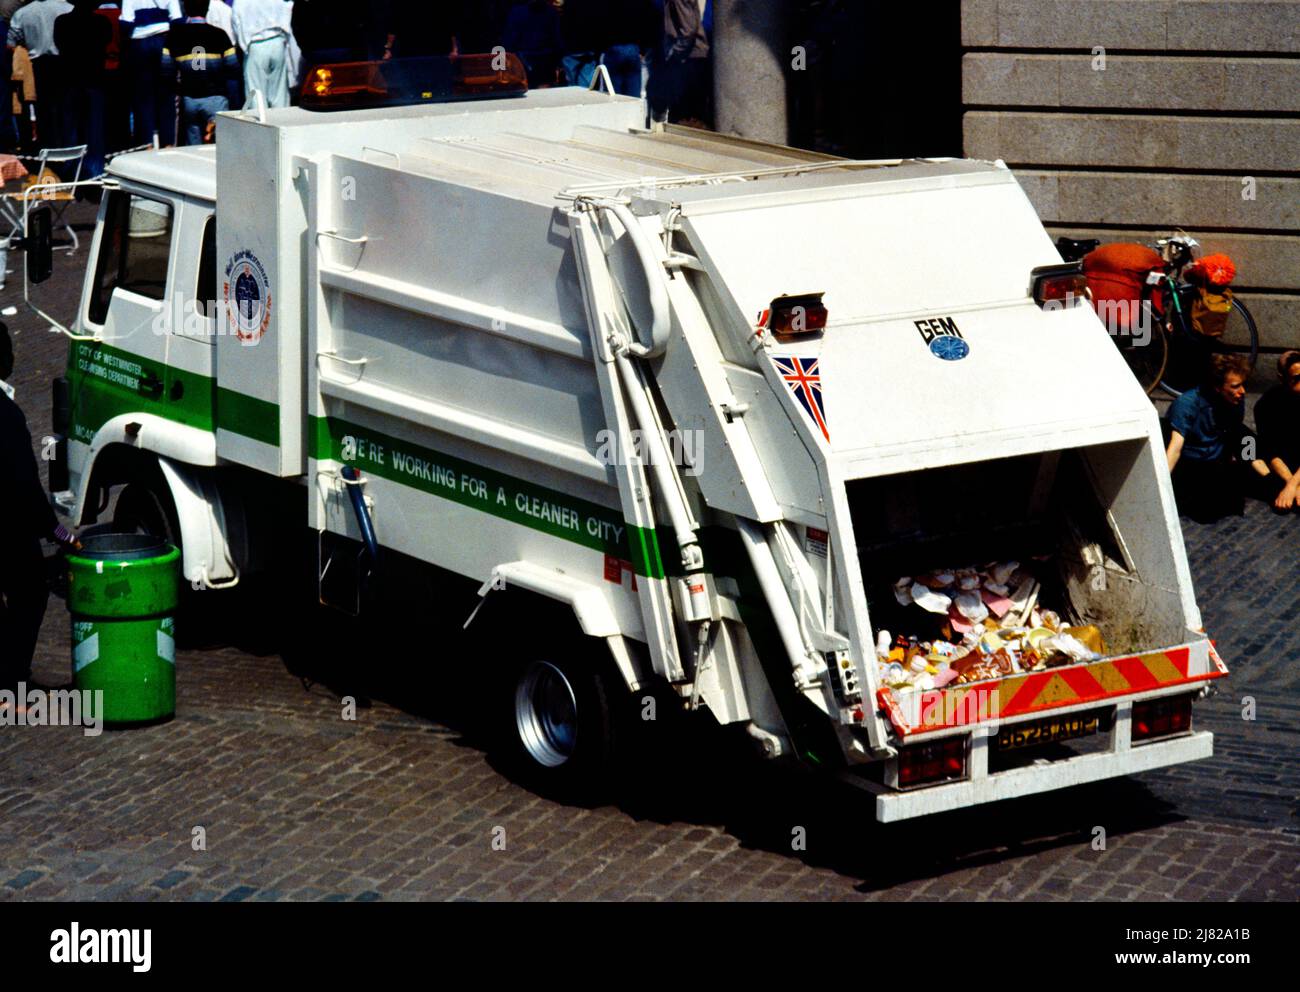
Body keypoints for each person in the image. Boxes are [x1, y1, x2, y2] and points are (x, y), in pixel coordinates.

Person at [0, 324, 77, 691]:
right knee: (29, 592)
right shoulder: (7, 416)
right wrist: (62, 535)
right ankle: (11, 676)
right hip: (8, 531)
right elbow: (26, 490)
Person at [1165, 354, 1271, 522]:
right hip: (1194, 462)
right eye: (1235, 386)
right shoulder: (1187, 404)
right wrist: (1161, 485)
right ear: (1217, 387)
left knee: (1248, 439)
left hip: (1219, 454)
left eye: (1243, 385)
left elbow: (1235, 431)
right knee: (1208, 510)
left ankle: (1269, 479)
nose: (1242, 392)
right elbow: (1175, 448)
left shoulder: (1236, 399)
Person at [161, 0, 238, 145]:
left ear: (186, 10)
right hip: (217, 99)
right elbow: (233, 69)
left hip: (190, 99)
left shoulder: (174, 37)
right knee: (219, 146)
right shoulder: (220, 35)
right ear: (207, 9)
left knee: (193, 147)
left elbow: (166, 73)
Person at [6, 0, 73, 161]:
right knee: (67, 110)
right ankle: (66, 151)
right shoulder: (69, 8)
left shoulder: (23, 13)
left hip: (40, 64)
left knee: (44, 111)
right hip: (66, 63)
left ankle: (48, 152)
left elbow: (10, 43)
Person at [53, 0, 112, 178]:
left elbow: (59, 44)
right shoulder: (101, 23)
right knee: (94, 129)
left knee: (70, 129)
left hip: (70, 80)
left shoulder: (62, 22)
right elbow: (106, 43)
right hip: (93, 79)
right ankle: (94, 171)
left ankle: (71, 169)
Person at [120, 0, 182, 146]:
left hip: (139, 43)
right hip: (164, 40)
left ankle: (146, 144)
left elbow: (126, 22)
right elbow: (177, 19)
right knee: (167, 96)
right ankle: (168, 144)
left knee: (142, 99)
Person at [1254, 349, 1300, 512]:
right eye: (1297, 379)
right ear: (1282, 379)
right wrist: (1290, 484)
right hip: (1284, 464)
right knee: (1247, 443)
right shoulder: (1266, 405)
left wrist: (1294, 485)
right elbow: (1270, 452)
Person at [648, 0, 708, 124]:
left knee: (682, 116)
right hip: (690, 58)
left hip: (687, 59)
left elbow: (688, 30)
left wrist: (674, 53)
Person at [230, 0, 296, 108]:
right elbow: (286, 15)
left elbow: (236, 24)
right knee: (279, 92)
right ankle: (281, 121)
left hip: (255, 44)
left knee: (256, 94)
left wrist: (243, 45)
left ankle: (260, 122)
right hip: (277, 41)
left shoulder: (240, 2)